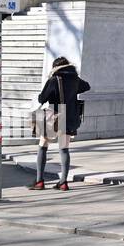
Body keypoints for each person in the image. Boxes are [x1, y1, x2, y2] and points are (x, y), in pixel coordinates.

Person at [29, 57, 91, 191]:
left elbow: (42, 98)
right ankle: (63, 182)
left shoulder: (53, 80)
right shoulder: (75, 79)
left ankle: (39, 181)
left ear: (55, 67)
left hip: (53, 115)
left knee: (43, 146)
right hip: (70, 116)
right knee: (64, 148)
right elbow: (87, 86)